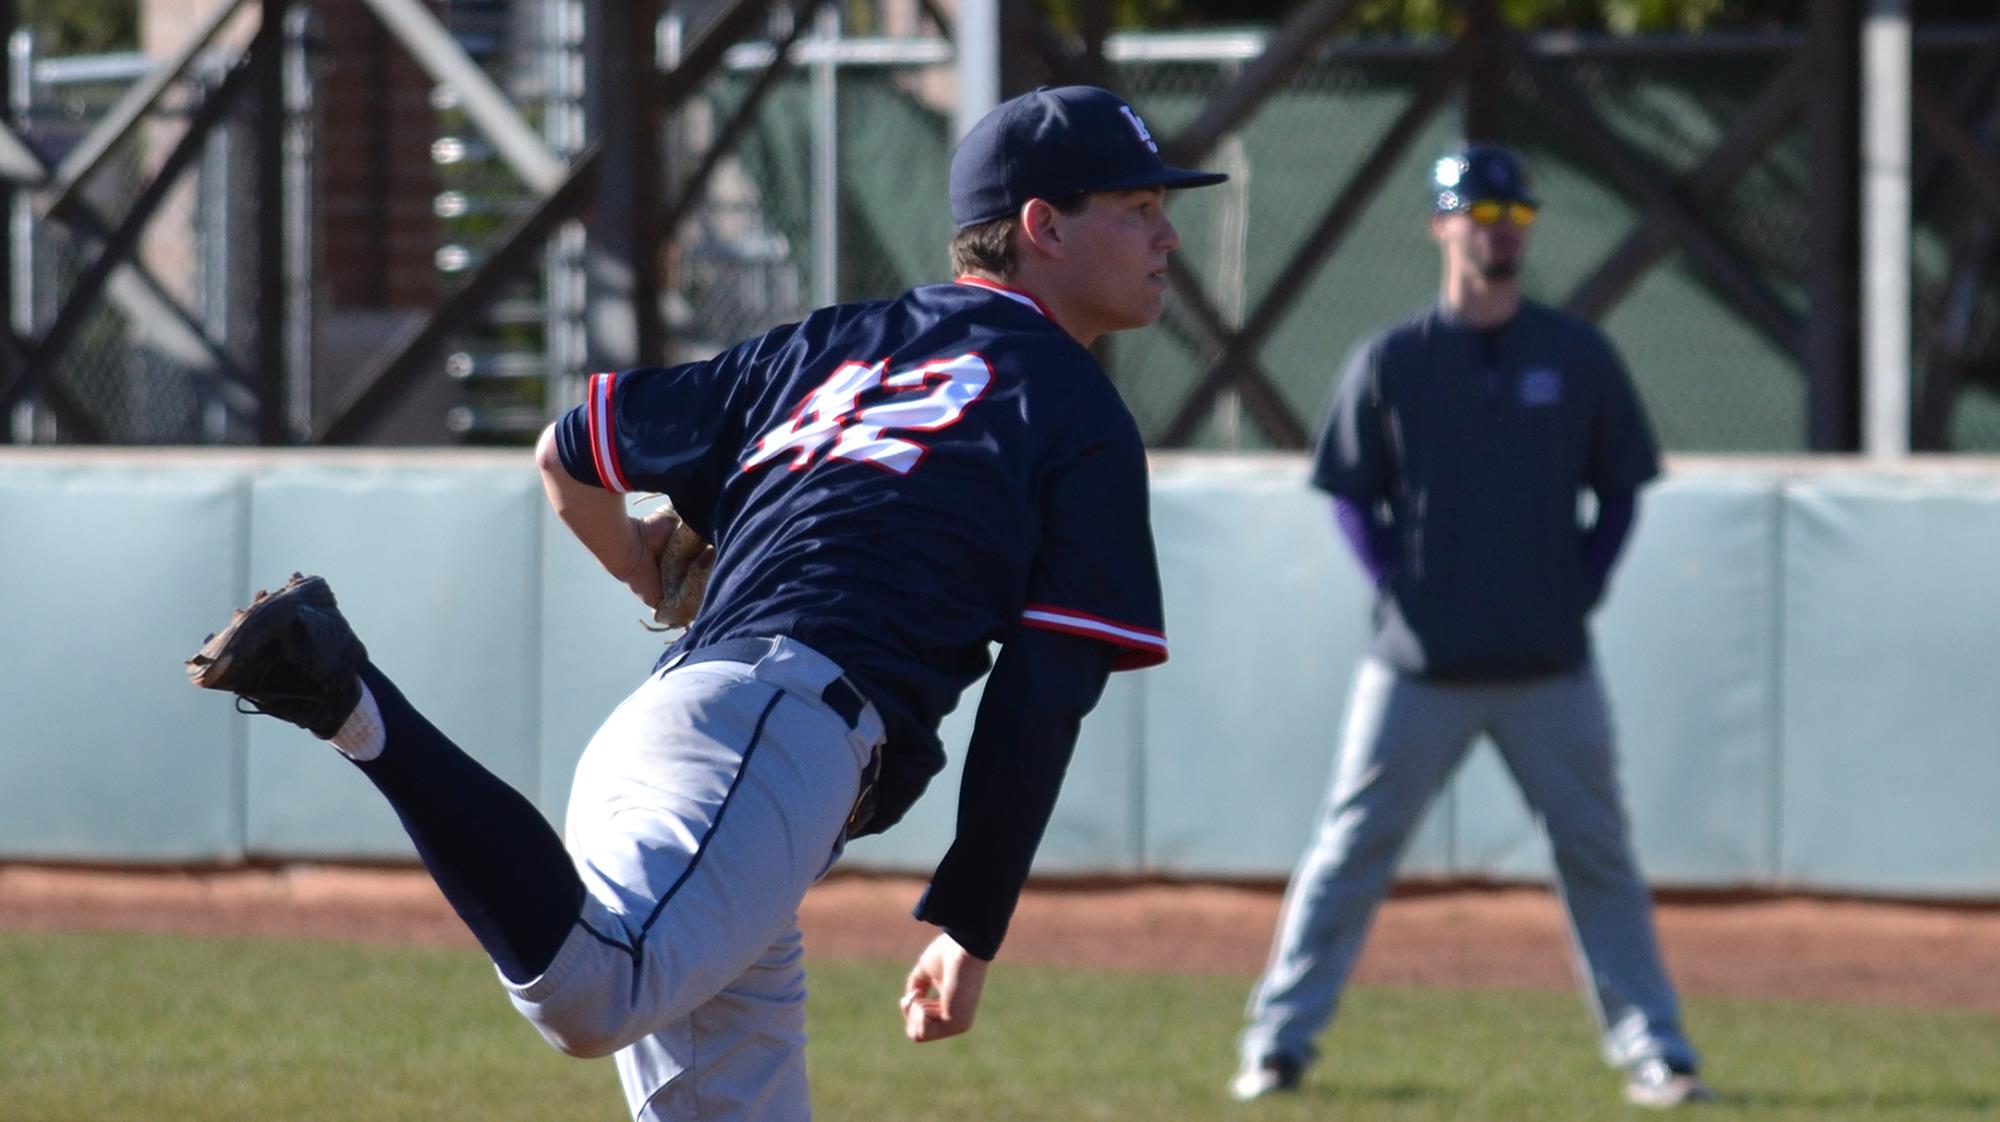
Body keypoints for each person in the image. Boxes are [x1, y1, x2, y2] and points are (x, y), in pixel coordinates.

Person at [187, 85, 1224, 1121]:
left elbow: (566, 452)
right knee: (593, 996)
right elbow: (1041, 697)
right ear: (1043, 226)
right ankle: (350, 703)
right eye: (1136, 208)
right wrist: (972, 922)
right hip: (775, 743)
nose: (1167, 236)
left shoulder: (826, 343)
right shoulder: (1075, 407)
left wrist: (642, 566)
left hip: (700, 733)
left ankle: (352, 701)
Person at [1227, 143, 1710, 1110]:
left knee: (1598, 853)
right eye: (1483, 217)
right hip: (1418, 665)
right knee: (1350, 849)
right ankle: (1277, 1045)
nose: (1501, 234)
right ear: (1442, 225)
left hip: (1547, 664)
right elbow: (1352, 493)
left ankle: (1655, 1049)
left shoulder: (1575, 355)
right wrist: (1391, 583)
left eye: (1515, 218)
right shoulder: (1395, 358)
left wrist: (1584, 583)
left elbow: (1620, 489)